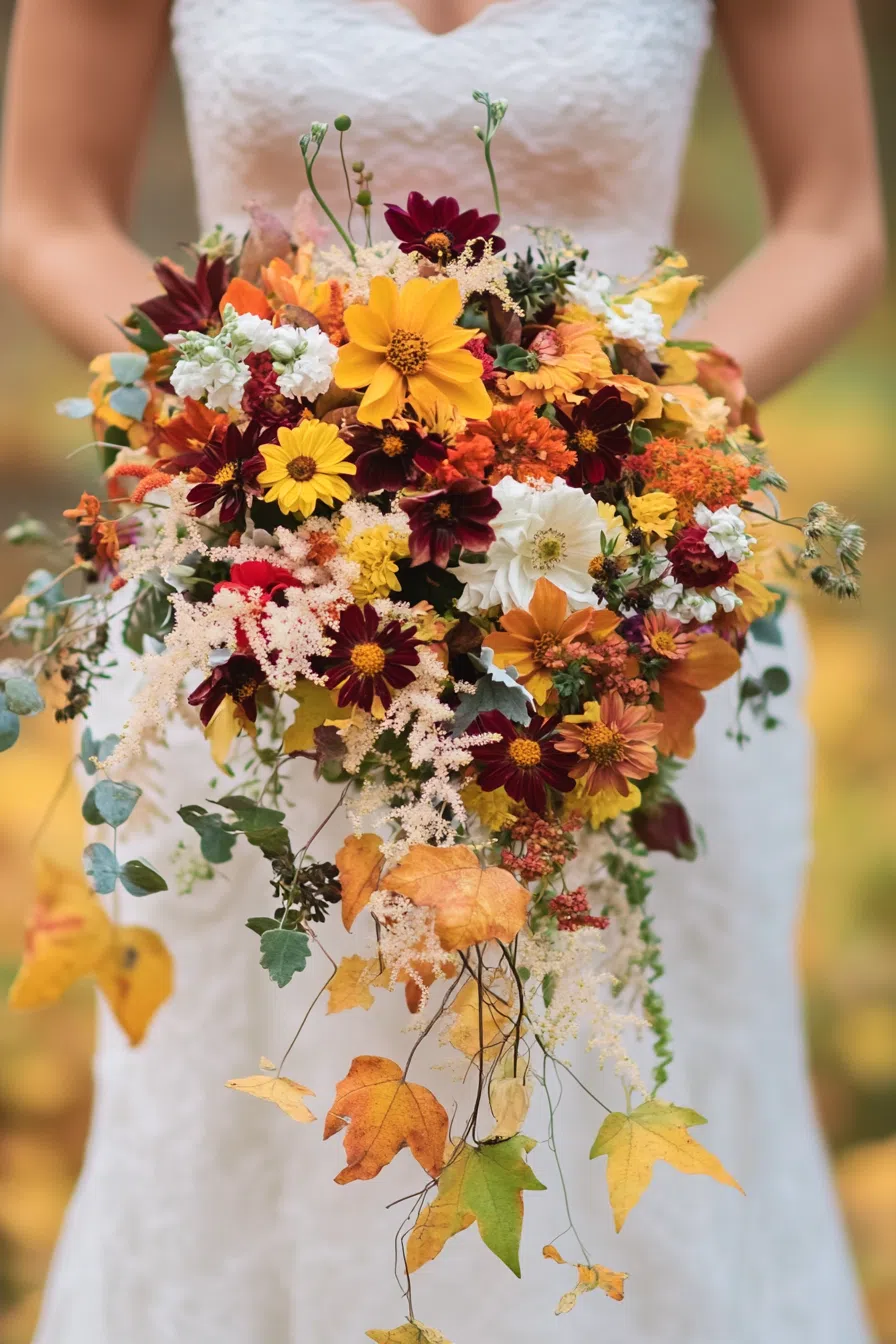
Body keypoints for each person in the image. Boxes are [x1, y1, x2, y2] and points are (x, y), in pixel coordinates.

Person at [0, 1, 885, 1341]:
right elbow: (47, 203)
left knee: (634, 1113)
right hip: (260, 618)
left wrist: (632, 434)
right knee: (251, 1124)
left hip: (640, 623)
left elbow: (834, 215)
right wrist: (245, 408)